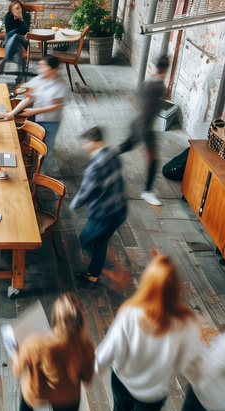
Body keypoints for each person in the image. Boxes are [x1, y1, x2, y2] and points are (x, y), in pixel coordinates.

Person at [95, 255, 202, 411]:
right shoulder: (186, 323)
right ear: (176, 287)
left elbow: (106, 353)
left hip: (122, 380)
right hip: (152, 392)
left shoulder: (130, 313)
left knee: (120, 410)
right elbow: (192, 364)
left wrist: (86, 370)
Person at [70, 126, 128, 284]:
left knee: (85, 240)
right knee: (101, 241)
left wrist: (73, 205)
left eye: (86, 143)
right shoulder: (113, 155)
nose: (84, 146)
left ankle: (105, 268)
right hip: (119, 210)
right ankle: (94, 275)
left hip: (104, 214)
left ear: (94, 142)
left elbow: (85, 191)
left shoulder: (96, 165)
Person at [119, 55, 170, 207]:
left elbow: (137, 100)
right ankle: (147, 192)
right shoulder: (160, 87)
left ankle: (102, 159)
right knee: (153, 160)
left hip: (137, 123)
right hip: (145, 128)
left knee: (126, 146)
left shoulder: (148, 81)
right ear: (167, 69)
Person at [4, 56, 65, 176]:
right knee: (36, 144)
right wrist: (12, 112)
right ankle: (33, 165)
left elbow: (56, 106)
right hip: (37, 117)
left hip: (51, 121)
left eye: (43, 66)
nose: (39, 69)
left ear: (54, 69)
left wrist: (34, 111)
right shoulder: (39, 79)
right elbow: (28, 96)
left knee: (47, 149)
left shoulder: (60, 85)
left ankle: (44, 175)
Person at [0, 1, 30, 76]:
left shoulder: (26, 16)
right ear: (11, 11)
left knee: (15, 36)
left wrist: (21, 19)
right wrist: (17, 31)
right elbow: (9, 33)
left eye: (20, 7)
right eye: (16, 8)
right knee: (16, 41)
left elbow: (26, 30)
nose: (19, 10)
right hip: (12, 42)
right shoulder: (8, 17)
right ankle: (19, 77)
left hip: (23, 39)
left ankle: (5, 60)